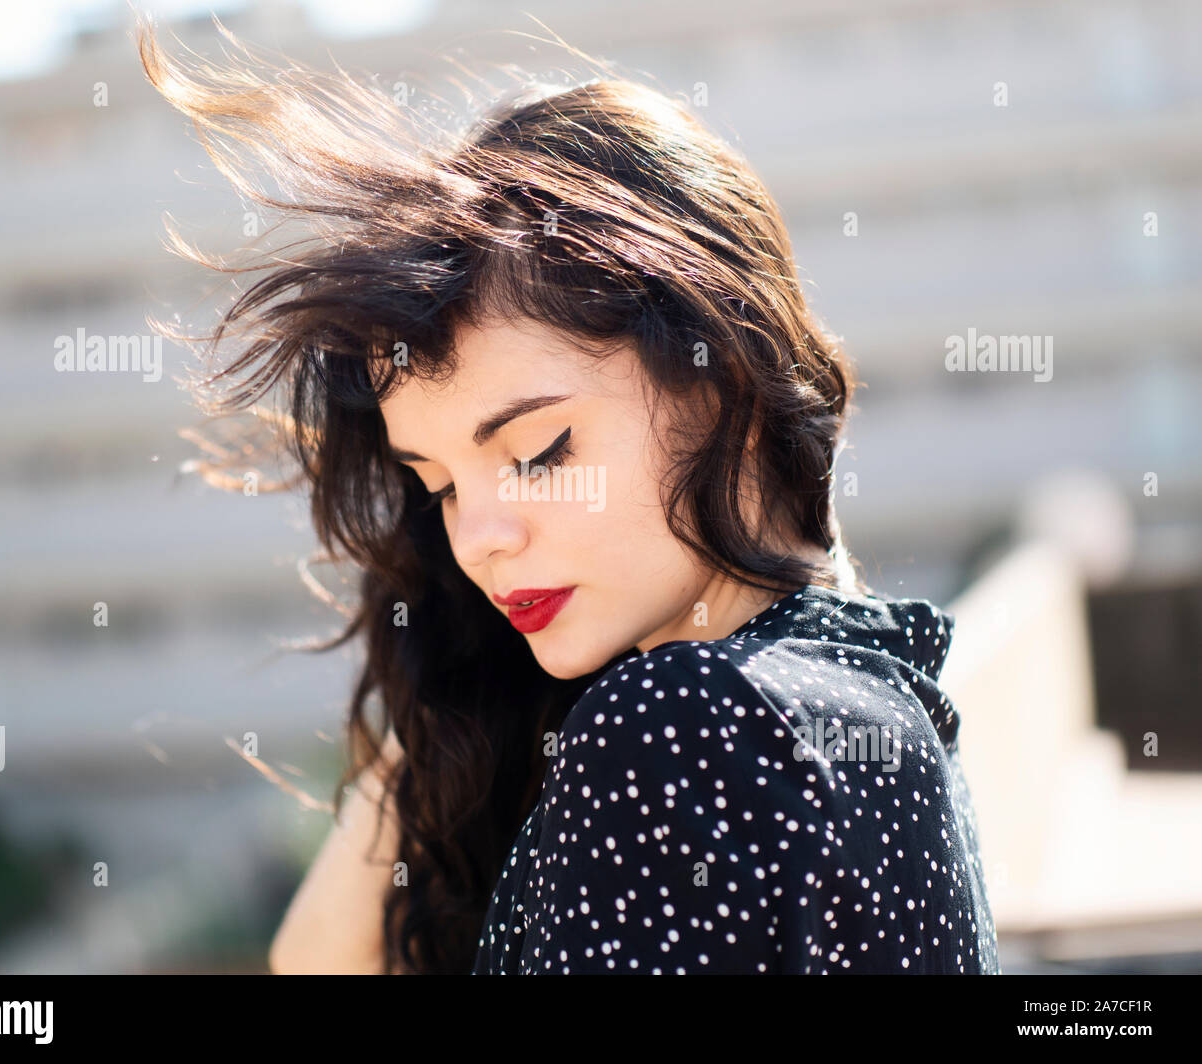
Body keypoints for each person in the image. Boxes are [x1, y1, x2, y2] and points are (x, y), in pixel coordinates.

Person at [137, 17, 998, 975]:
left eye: (539, 452)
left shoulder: (682, 726)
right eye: (439, 488)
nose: (479, 541)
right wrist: (452, 669)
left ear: (728, 378)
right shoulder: (868, 688)